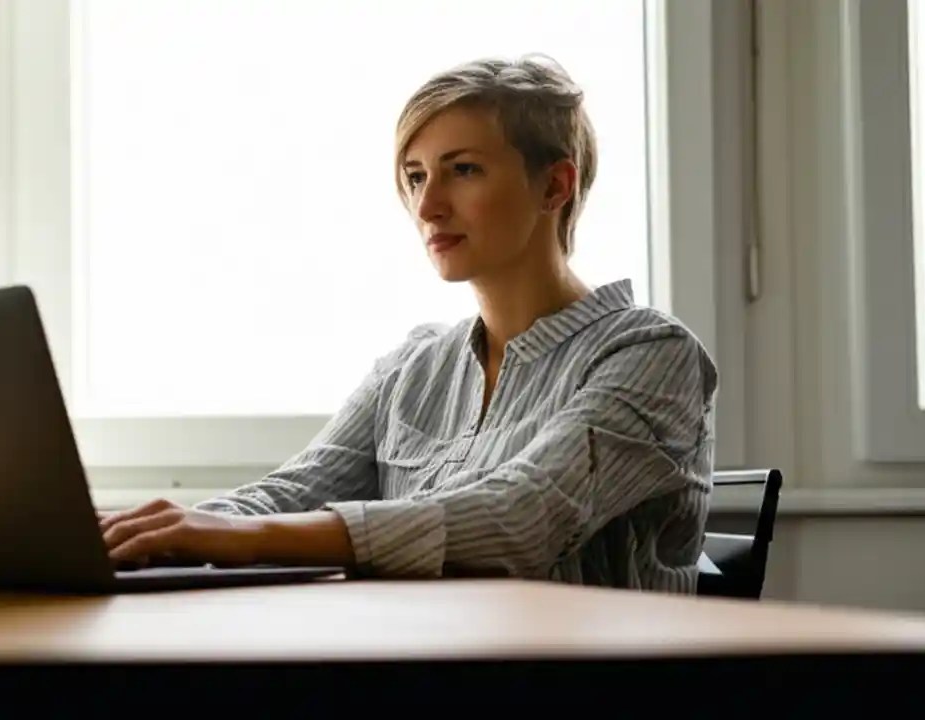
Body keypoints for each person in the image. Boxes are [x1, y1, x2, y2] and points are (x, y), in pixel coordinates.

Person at [99, 54, 718, 592]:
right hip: (418, 665)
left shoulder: (652, 354)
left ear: (555, 185)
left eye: (464, 170)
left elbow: (522, 516)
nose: (427, 206)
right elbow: (295, 489)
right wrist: (142, 536)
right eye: (416, 175)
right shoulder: (414, 366)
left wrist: (244, 536)